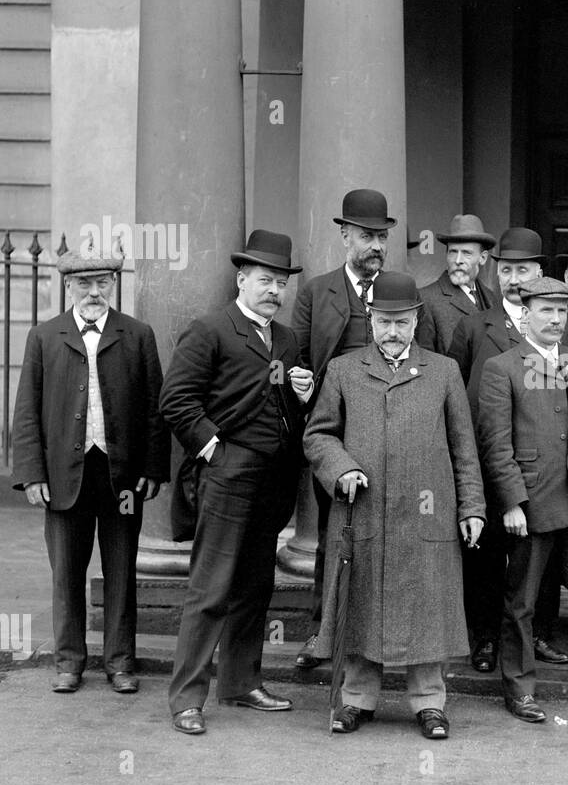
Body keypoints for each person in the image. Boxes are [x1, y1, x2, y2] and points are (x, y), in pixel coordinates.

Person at [304, 272, 486, 740]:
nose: (393, 331)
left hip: (428, 514)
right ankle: (356, 700)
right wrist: (340, 467)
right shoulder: (345, 370)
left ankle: (429, 703)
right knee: (361, 603)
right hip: (362, 511)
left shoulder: (443, 371)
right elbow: (318, 434)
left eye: (402, 322)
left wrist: (472, 509)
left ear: (416, 320)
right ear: (370, 320)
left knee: (428, 607)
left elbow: (464, 447)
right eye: (384, 321)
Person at [160, 230, 314, 735]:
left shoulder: (287, 338)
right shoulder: (210, 330)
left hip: (272, 479)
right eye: (265, 280)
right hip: (227, 475)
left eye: (281, 283)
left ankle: (240, 682)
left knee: (255, 585)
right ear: (242, 279)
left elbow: (281, 409)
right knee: (210, 587)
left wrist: (300, 394)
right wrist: (216, 453)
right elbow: (177, 402)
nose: (274, 290)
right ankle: (187, 698)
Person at [11, 243, 168, 695]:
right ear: (68, 286)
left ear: (113, 284)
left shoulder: (137, 335)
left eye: (101, 283)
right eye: (84, 284)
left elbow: (155, 410)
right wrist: (33, 474)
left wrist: (153, 469)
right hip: (63, 474)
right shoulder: (44, 336)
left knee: (121, 570)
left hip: (119, 476)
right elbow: (26, 412)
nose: (93, 292)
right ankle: (69, 661)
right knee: (66, 571)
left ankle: (120, 662)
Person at [477, 277, 568, 722]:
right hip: (530, 505)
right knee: (521, 601)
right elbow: (495, 444)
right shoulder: (502, 367)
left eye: (562, 312)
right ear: (525, 315)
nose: (556, 320)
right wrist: (511, 503)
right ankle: (520, 688)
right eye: (546, 311)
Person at [290, 188, 398, 670]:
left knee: (390, 538)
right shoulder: (317, 291)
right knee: (331, 536)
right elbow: (297, 356)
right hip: (336, 435)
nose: (375, 244)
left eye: (381, 236)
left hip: (395, 434)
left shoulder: (400, 289)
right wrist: (301, 382)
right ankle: (322, 632)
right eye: (366, 236)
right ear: (345, 236)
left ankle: (383, 635)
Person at [447, 227, 548, 672]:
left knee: (537, 557)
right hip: (488, 460)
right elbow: (454, 395)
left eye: (523, 269)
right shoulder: (474, 327)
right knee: (485, 558)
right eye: (506, 269)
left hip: (542, 466)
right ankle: (484, 637)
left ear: (540, 272)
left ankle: (533, 637)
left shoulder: (553, 325)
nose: (514, 278)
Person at [415, 214, 496, 355]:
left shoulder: (491, 297)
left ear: (482, 258)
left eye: (466, 253)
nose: (458, 260)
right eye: (453, 252)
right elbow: (424, 362)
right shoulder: (426, 299)